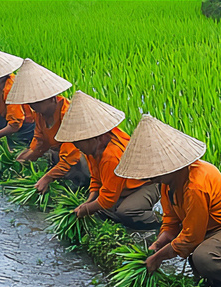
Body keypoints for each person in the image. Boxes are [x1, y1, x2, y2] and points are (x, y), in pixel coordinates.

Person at [114, 115, 221, 287]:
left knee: (203, 257)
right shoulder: (168, 184)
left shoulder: (196, 186)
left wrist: (157, 258)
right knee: (198, 265)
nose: (151, 178)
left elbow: (191, 238)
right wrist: (157, 245)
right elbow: (171, 220)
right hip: (212, 228)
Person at [54, 91, 161, 231]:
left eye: (78, 142)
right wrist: (89, 201)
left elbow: (108, 198)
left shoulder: (111, 155)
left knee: (125, 212)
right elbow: (96, 178)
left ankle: (160, 223)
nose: (76, 146)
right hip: (124, 185)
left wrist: (86, 209)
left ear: (93, 137)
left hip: (146, 184)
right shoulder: (93, 149)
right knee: (102, 209)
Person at [6, 58, 88, 191]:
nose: (32, 106)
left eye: (37, 102)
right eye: (31, 103)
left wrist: (47, 178)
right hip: (62, 155)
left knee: (76, 163)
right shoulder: (40, 115)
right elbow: (39, 143)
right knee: (46, 153)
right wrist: (24, 159)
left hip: (81, 158)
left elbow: (70, 156)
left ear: (52, 98)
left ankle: (81, 187)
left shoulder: (68, 115)